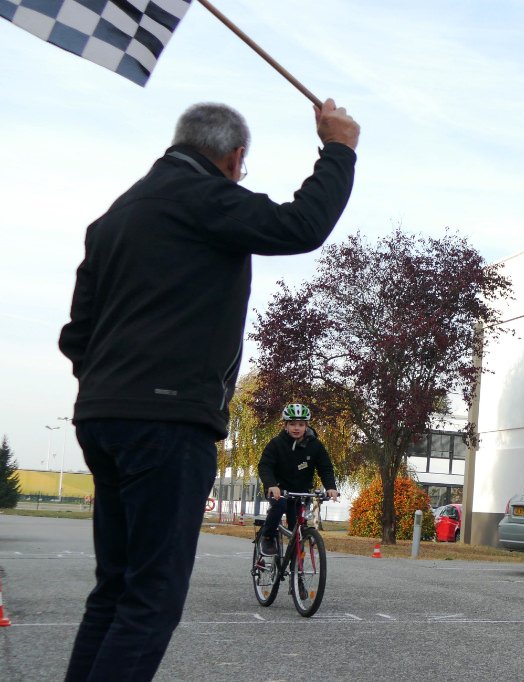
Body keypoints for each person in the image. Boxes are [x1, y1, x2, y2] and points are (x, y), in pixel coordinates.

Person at [58, 100, 359, 681]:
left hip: (102, 417)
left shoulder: (116, 216)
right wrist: (338, 150)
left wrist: (110, 389)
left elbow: (77, 335)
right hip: (168, 421)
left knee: (114, 590)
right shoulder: (205, 198)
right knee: (151, 597)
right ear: (234, 158)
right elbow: (301, 225)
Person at [256, 403, 340, 555]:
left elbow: (325, 468)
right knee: (279, 505)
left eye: (301, 424)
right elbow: (265, 466)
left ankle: (295, 562)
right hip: (278, 489)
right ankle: (268, 537)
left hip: (301, 492)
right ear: (286, 426)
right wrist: (271, 485)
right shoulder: (276, 444)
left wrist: (330, 487)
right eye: (292, 424)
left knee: (296, 527)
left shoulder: (315, 446)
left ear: (306, 426)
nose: (296, 428)